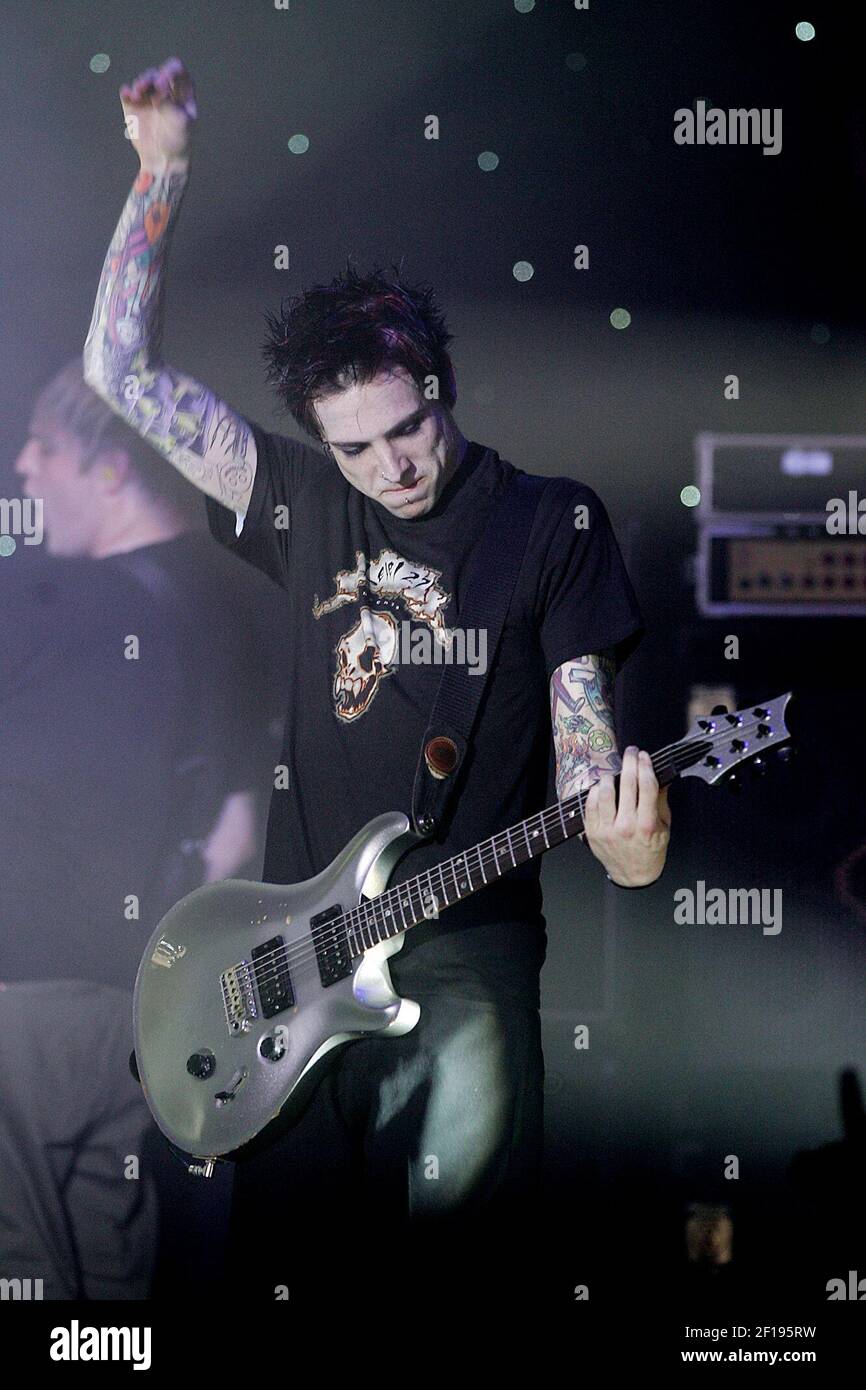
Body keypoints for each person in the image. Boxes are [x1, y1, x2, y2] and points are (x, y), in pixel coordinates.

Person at [82, 56, 672, 1302]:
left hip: (462, 956)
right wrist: (160, 177)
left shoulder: (546, 527)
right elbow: (118, 377)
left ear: (438, 388)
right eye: (355, 446)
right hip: (290, 958)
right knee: (287, 1274)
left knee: (463, 1282)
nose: (392, 466)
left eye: (409, 427)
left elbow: (584, 761)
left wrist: (628, 838)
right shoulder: (298, 498)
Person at [0, 358, 286, 1298]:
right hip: (145, 1028)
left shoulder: (60, 608)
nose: (26, 469)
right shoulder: (236, 606)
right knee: (114, 1309)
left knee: (25, 1282)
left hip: (21, 1013)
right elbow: (239, 837)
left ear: (114, 470)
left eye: (47, 449)